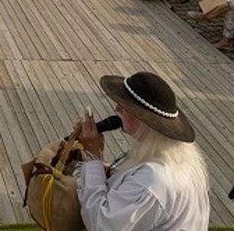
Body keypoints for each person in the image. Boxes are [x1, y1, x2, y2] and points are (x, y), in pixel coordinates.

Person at [72, 71, 209, 231]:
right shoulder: (181, 160)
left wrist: (93, 157)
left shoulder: (152, 180)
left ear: (142, 118)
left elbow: (102, 224)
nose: (116, 108)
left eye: (123, 107)